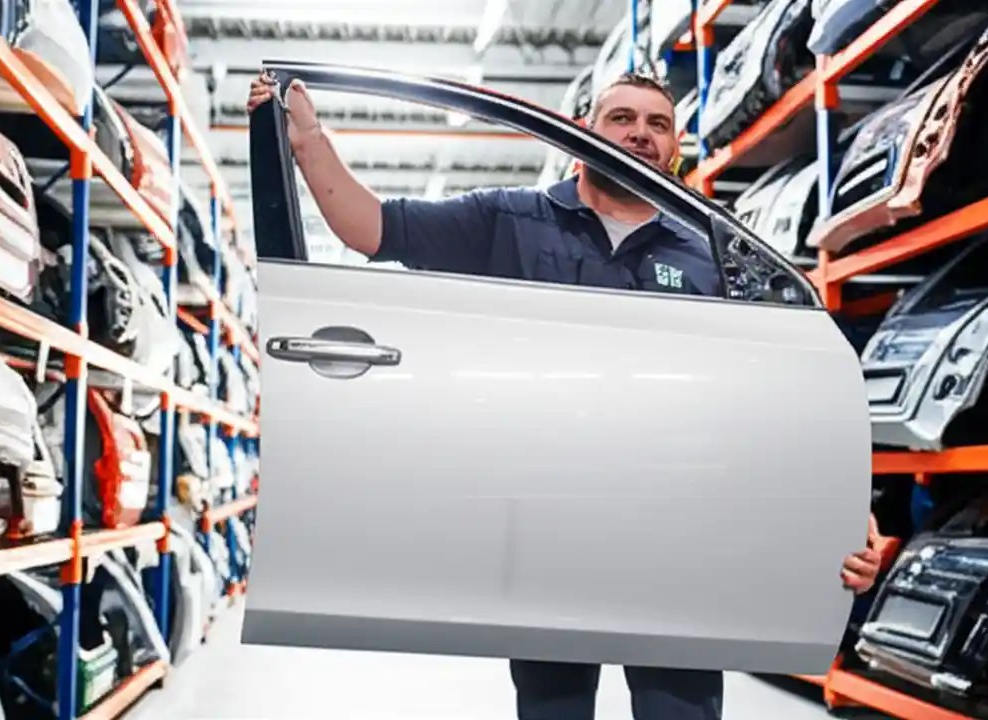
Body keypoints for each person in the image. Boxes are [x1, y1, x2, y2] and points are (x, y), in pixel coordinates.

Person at [247, 69, 885, 720]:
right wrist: (307, 141)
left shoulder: (712, 258)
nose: (640, 134)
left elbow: (768, 405)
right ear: (584, 133)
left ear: (675, 149)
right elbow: (371, 228)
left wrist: (834, 511)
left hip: (678, 532)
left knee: (680, 711)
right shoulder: (510, 218)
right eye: (621, 119)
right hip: (550, 526)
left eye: (657, 124)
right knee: (554, 709)